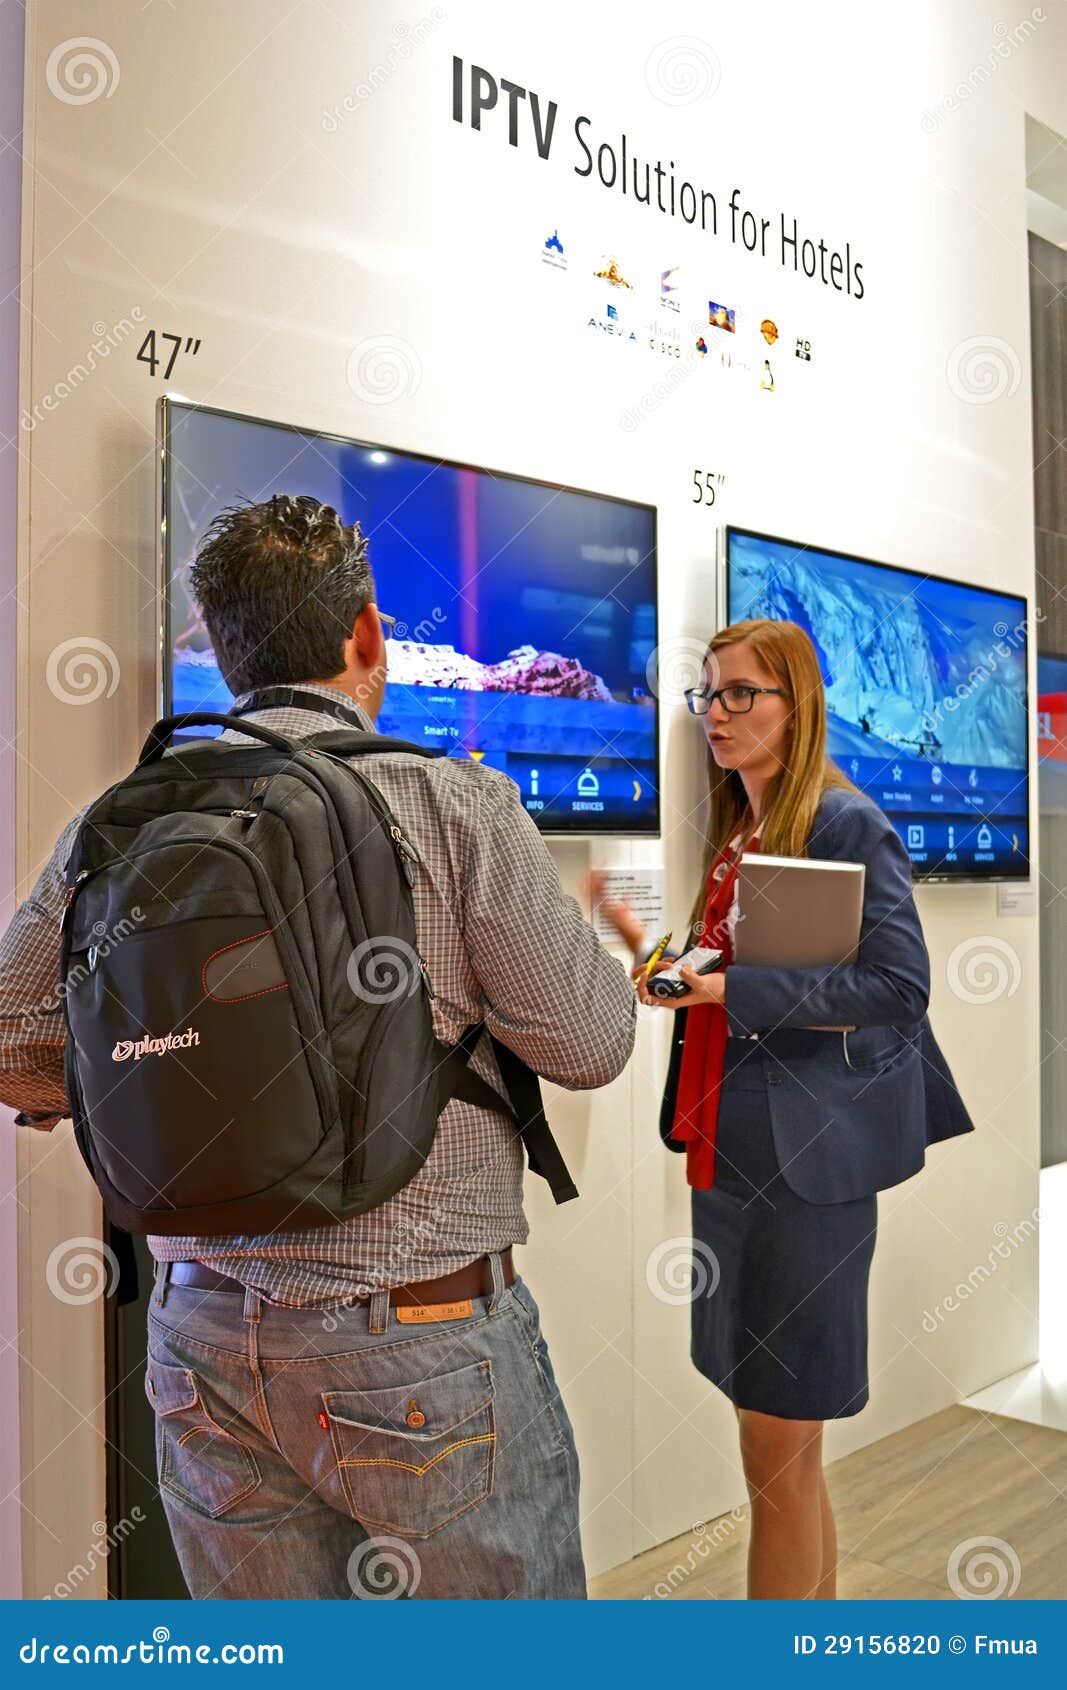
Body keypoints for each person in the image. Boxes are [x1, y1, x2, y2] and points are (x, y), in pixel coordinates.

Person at [0, 494, 637, 1601]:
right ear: (368, 636)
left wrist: (144, 1066)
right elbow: (588, 1045)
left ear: (221, 642)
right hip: (417, 1336)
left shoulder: (125, 815)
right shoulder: (454, 802)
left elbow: (11, 1041)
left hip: (198, 1334)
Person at [590, 617, 974, 1601]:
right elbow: (729, 982)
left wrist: (722, 990)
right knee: (780, 1457)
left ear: (793, 705)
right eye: (705, 694)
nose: (713, 714)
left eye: (736, 694)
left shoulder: (843, 822)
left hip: (807, 1177)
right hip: (734, 1163)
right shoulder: (741, 833)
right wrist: (653, 956)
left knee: (774, 1453)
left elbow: (897, 986)